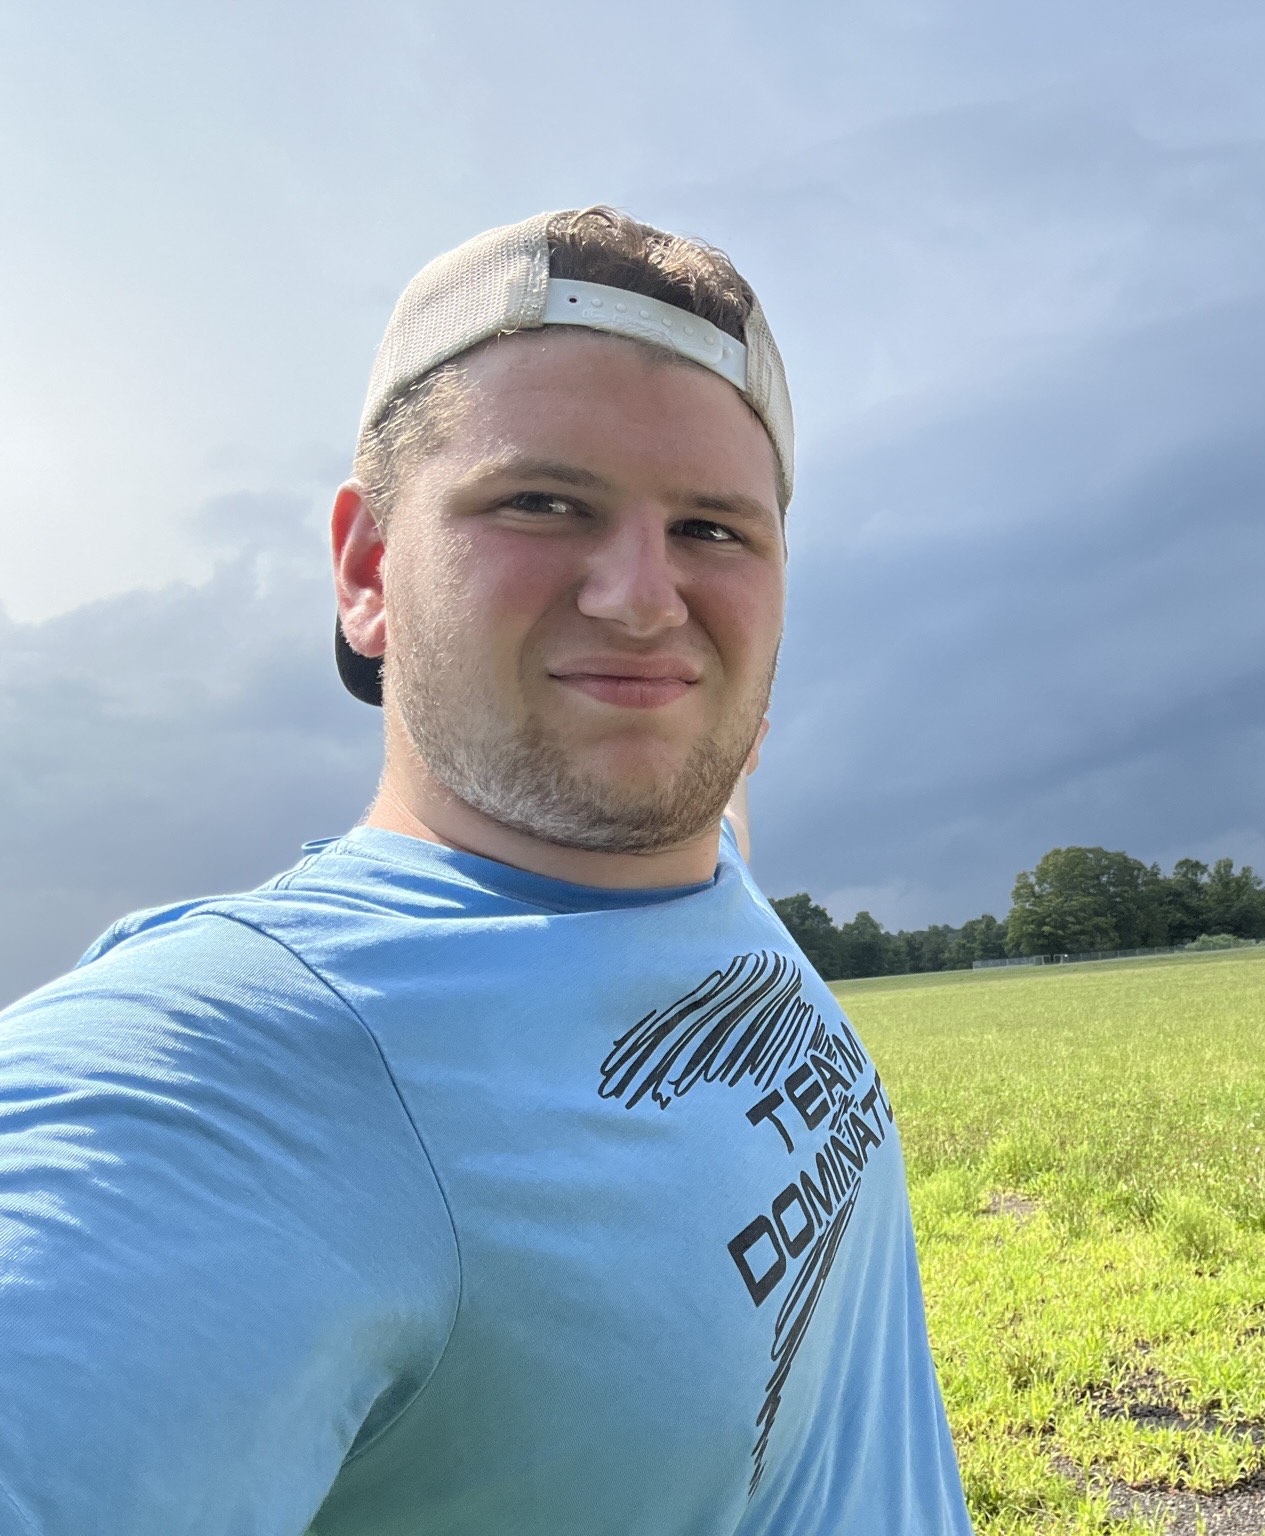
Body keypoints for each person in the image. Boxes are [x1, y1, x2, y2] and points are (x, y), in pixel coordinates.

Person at [0, 208, 973, 1535]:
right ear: (364, 569)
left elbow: (700, 773)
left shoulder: (687, 870)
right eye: (542, 502)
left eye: (711, 531)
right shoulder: (246, 1069)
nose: (643, 599)